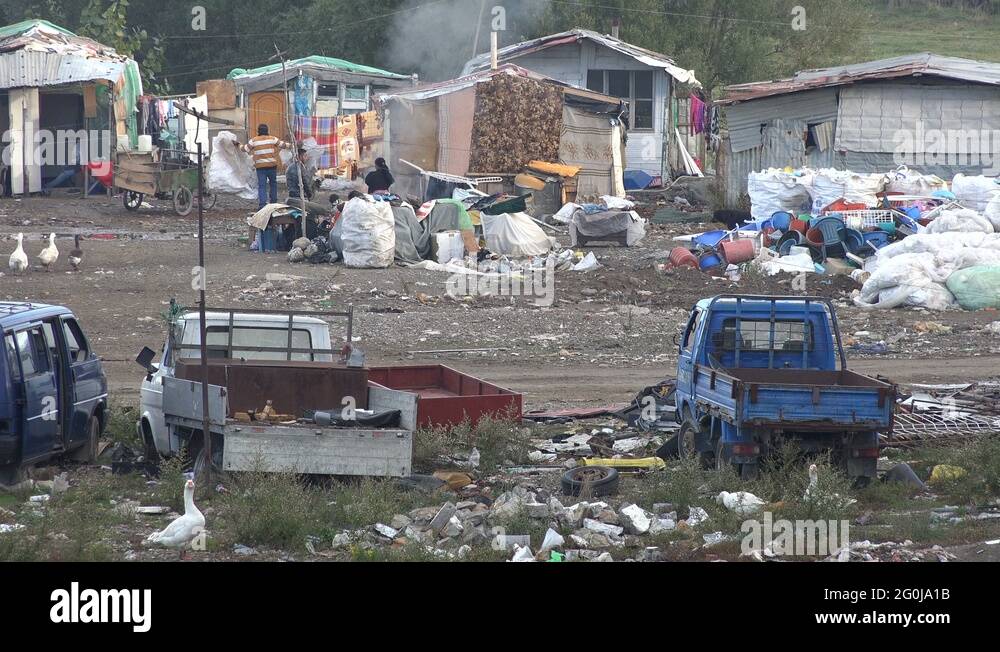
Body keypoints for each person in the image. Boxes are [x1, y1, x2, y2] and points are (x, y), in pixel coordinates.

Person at [234, 124, 291, 209]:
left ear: (258, 131)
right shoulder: (273, 139)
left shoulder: (254, 141)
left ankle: (262, 205)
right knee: (273, 184)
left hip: (260, 168)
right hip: (272, 166)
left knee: (262, 186)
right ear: (267, 130)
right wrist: (292, 144)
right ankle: (273, 203)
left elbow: (244, 149)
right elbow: (284, 145)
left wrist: (238, 144)